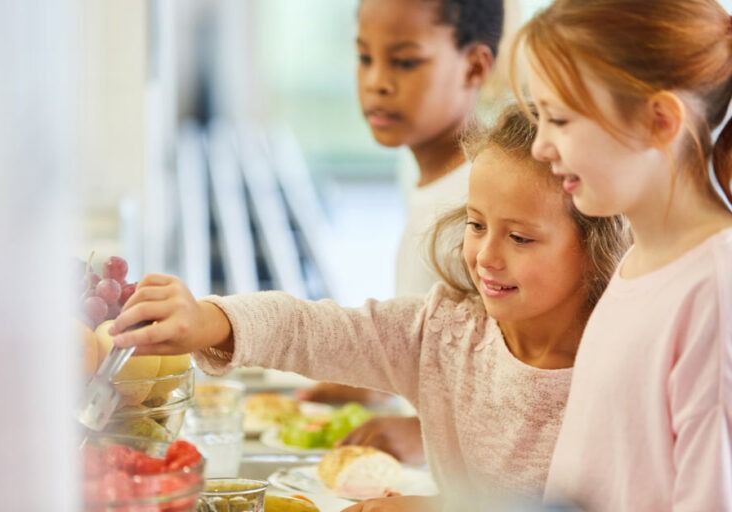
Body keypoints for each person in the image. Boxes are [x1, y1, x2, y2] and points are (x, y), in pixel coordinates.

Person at [109, 103, 630, 507]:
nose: (486, 256)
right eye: (475, 225)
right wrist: (208, 319)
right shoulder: (445, 330)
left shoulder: (621, 364)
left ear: (594, 247)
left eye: (520, 238)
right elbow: (311, 329)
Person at [509, 1, 732, 510]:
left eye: (559, 119)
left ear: (659, 119)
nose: (541, 146)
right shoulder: (638, 262)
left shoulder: (715, 290)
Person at [296, 0, 506, 465]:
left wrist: (424, 433)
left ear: (474, 66)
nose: (376, 83)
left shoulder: (486, 205)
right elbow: (448, 350)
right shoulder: (424, 176)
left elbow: (527, 376)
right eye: (364, 57)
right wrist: (379, 374)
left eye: (406, 61)